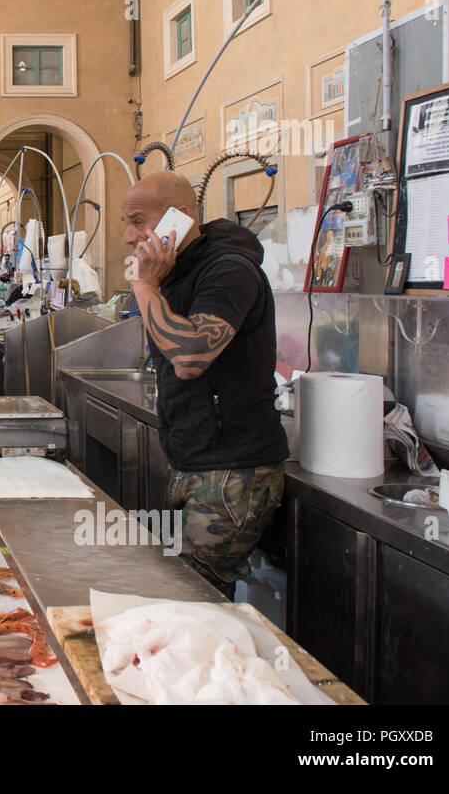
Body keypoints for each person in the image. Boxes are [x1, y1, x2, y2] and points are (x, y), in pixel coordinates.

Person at [124, 171, 289, 597]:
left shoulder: (229, 270)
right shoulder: (176, 272)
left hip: (233, 470)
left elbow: (190, 358)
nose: (129, 236)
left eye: (139, 221)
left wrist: (143, 284)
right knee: (181, 588)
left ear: (178, 217)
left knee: (193, 597)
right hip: (192, 460)